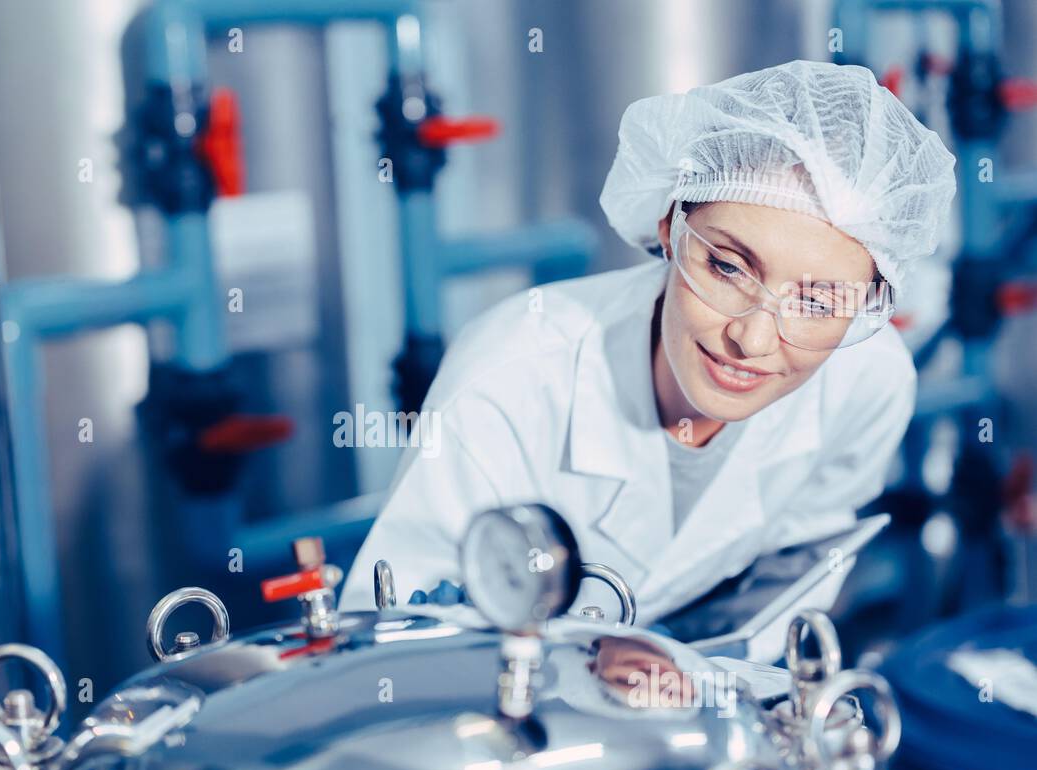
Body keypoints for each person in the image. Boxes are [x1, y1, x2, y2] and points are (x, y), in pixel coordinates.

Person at [338, 60, 957, 662]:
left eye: (818, 300)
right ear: (669, 228)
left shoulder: (869, 382)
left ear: (868, 308)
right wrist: (581, 670)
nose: (754, 338)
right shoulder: (509, 382)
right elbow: (384, 648)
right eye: (728, 267)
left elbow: (798, 563)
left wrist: (701, 680)